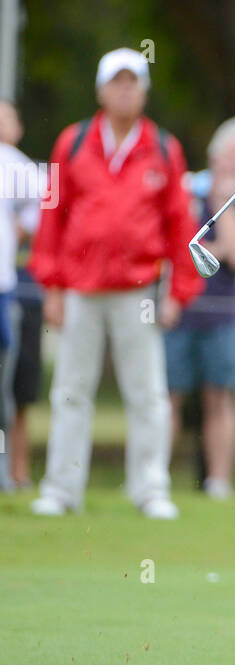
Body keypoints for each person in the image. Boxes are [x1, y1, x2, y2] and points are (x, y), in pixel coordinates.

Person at [28, 50, 201, 518]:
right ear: (101, 90)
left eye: (133, 82)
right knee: (70, 390)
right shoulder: (72, 142)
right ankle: (62, 489)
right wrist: (52, 287)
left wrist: (177, 292)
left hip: (138, 290)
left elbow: (178, 225)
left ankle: (149, 488)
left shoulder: (164, 147)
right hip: (80, 288)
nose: (125, 90)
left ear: (143, 91)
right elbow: (52, 217)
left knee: (147, 392)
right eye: (117, 82)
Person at [165, 118, 235, 499]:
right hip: (181, 310)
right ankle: (156, 477)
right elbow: (176, 248)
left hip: (225, 314)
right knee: (168, 396)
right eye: (229, 154)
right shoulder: (186, 188)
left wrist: (225, 205)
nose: (233, 163)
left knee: (220, 398)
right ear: (214, 154)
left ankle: (219, 481)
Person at [0, 102, 44, 491]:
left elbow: (38, 219)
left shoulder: (20, 168)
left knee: (14, 389)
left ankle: (13, 471)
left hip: (14, 289)